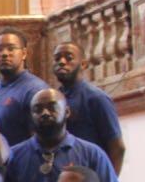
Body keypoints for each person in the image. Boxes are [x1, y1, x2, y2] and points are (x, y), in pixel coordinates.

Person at [5, 88, 122, 182]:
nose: (45, 113)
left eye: (52, 107)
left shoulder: (92, 153)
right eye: (38, 109)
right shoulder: (13, 155)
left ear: (67, 112)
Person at [52, 42, 125, 173]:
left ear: (83, 64)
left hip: (88, 177)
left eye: (69, 58)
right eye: (57, 58)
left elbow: (117, 148)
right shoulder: (55, 98)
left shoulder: (96, 98)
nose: (62, 62)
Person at [0, 28, 49, 147]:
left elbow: (42, 140)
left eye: (11, 48)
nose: (4, 54)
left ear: (24, 53)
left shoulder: (35, 90)